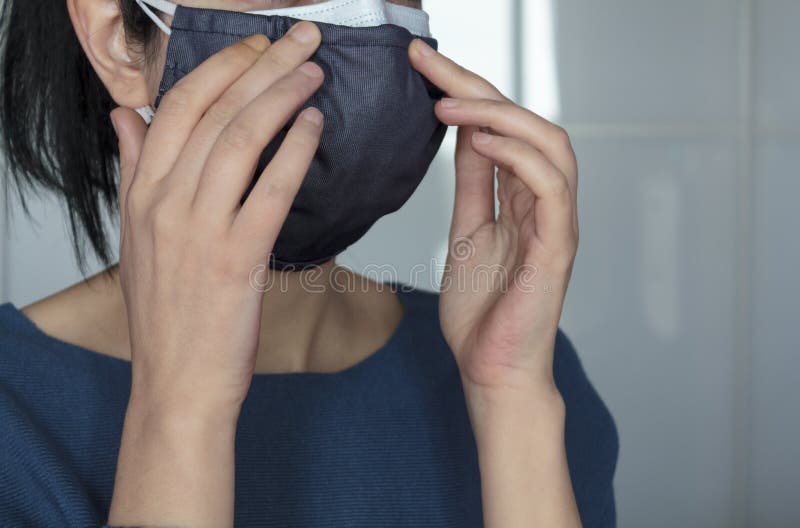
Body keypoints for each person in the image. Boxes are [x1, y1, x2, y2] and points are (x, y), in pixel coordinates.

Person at [0, 0, 618, 526]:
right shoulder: (15, 412)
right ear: (117, 38)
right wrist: (178, 412)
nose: (368, 17)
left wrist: (509, 399)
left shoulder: (523, 368)